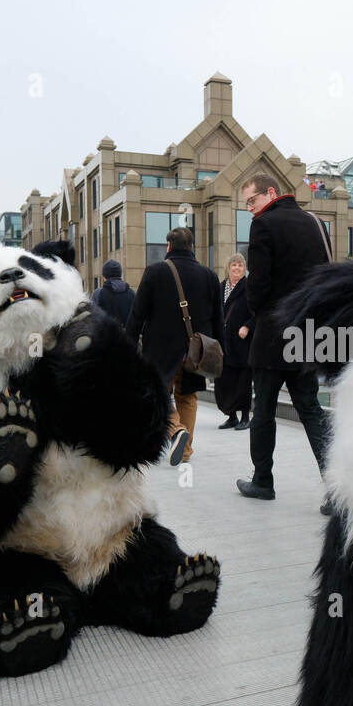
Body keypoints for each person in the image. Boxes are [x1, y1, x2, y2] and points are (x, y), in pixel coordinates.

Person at [235, 173, 332, 507]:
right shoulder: (316, 222)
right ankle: (337, 489)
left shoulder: (264, 226)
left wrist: (258, 312)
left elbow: (258, 286)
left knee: (262, 408)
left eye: (251, 200)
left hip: (273, 335)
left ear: (271, 193)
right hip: (306, 333)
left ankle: (263, 481)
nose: (250, 209)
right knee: (311, 409)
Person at [126, 226, 224, 466]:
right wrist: (221, 350)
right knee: (188, 397)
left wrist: (128, 346)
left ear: (168, 246)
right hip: (197, 351)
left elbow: (138, 314)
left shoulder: (155, 272)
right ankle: (186, 450)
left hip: (161, 350)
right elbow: (218, 318)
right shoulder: (209, 275)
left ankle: (175, 431)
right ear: (192, 247)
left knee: (156, 396)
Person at [216, 252, 254, 430]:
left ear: (244, 268)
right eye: (234, 265)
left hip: (242, 342)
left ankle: (245, 416)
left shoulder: (249, 287)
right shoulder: (221, 286)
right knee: (225, 380)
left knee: (243, 381)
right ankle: (231, 416)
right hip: (224, 342)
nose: (237, 268)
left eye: (240, 265)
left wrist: (247, 326)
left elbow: (257, 312)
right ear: (228, 268)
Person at [91, 259, 134, 326]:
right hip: (126, 335)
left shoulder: (98, 293)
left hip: (105, 335)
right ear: (120, 275)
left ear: (104, 276)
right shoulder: (132, 293)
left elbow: (92, 319)